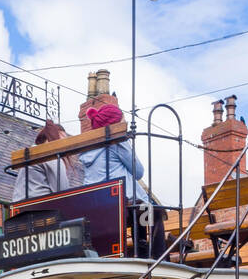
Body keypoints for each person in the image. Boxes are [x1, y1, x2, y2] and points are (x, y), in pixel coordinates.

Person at [80, 103, 164, 257]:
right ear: (115, 123)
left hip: (96, 203)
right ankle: (152, 255)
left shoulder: (88, 148)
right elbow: (138, 172)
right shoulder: (116, 141)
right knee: (153, 212)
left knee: (139, 208)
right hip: (120, 202)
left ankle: (139, 249)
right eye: (122, 120)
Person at [12, 119, 70, 204]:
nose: (65, 144)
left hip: (18, 204)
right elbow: (62, 191)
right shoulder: (51, 154)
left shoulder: (31, 152)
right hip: (41, 205)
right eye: (63, 139)